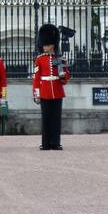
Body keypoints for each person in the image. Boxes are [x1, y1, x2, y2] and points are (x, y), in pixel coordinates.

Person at [33, 23, 70, 151]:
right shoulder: (39, 59)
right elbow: (37, 78)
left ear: (53, 44)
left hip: (57, 91)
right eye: (43, 45)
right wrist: (36, 94)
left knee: (56, 118)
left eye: (47, 45)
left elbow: (66, 79)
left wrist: (63, 73)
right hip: (44, 92)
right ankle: (45, 143)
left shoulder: (60, 58)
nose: (45, 47)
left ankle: (56, 142)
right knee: (46, 118)